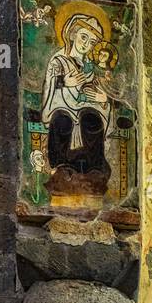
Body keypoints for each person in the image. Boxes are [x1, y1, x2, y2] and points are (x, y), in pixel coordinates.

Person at [39, 13, 113, 192]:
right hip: (61, 106)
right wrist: (65, 82)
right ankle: (61, 166)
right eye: (84, 37)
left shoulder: (91, 67)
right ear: (72, 34)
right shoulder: (59, 61)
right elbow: (50, 89)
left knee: (91, 118)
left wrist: (103, 100)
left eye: (92, 42)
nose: (86, 44)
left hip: (85, 106)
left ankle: (94, 168)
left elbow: (99, 91)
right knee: (62, 120)